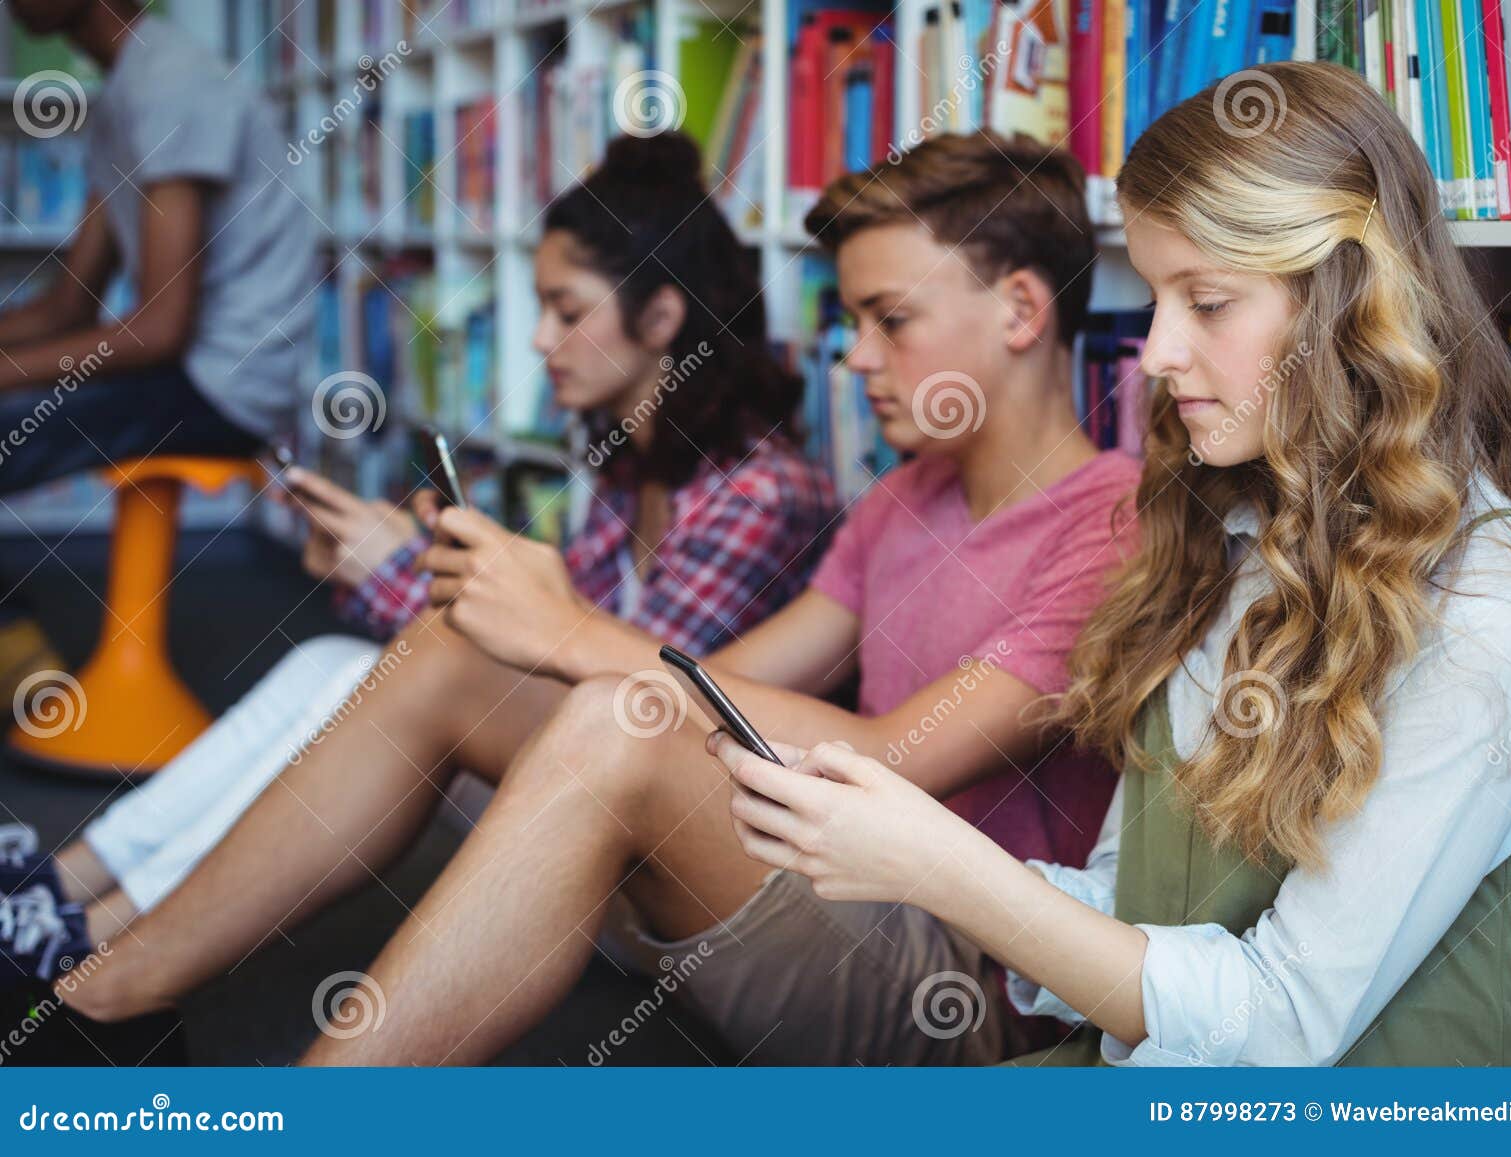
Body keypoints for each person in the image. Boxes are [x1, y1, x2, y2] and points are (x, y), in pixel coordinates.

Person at [50, 131, 1143, 1066]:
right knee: (455, 655)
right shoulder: (901, 498)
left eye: (887, 318)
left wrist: (575, 631)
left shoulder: (1114, 525)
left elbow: (890, 756)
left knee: (622, 715)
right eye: (850, 319)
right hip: (823, 876)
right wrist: (538, 636)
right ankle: (107, 994)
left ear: (1018, 309)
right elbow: (748, 688)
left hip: (962, 966)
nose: (853, 357)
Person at [707, 61, 1511, 1067]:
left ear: (1344, 305)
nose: (1157, 350)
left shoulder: (1490, 612)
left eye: (1206, 302)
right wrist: (907, 851)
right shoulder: (1226, 541)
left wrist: (946, 870)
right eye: (1153, 294)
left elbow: (1278, 1026)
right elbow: (1130, 904)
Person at [0, 131, 836, 997]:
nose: (540, 339)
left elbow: (617, 696)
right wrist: (409, 558)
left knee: (350, 675)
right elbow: (538, 654)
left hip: (668, 844)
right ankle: (70, 896)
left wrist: (390, 569)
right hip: (584, 788)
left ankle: (91, 942)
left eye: (566, 309)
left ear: (661, 320)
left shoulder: (758, 496)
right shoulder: (634, 467)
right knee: (334, 664)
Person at [0, 0, 314, 698]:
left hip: (223, 385)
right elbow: (66, 305)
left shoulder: (171, 82)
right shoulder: (126, 91)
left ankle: (17, 656)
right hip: (185, 369)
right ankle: (20, 652)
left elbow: (159, 328)